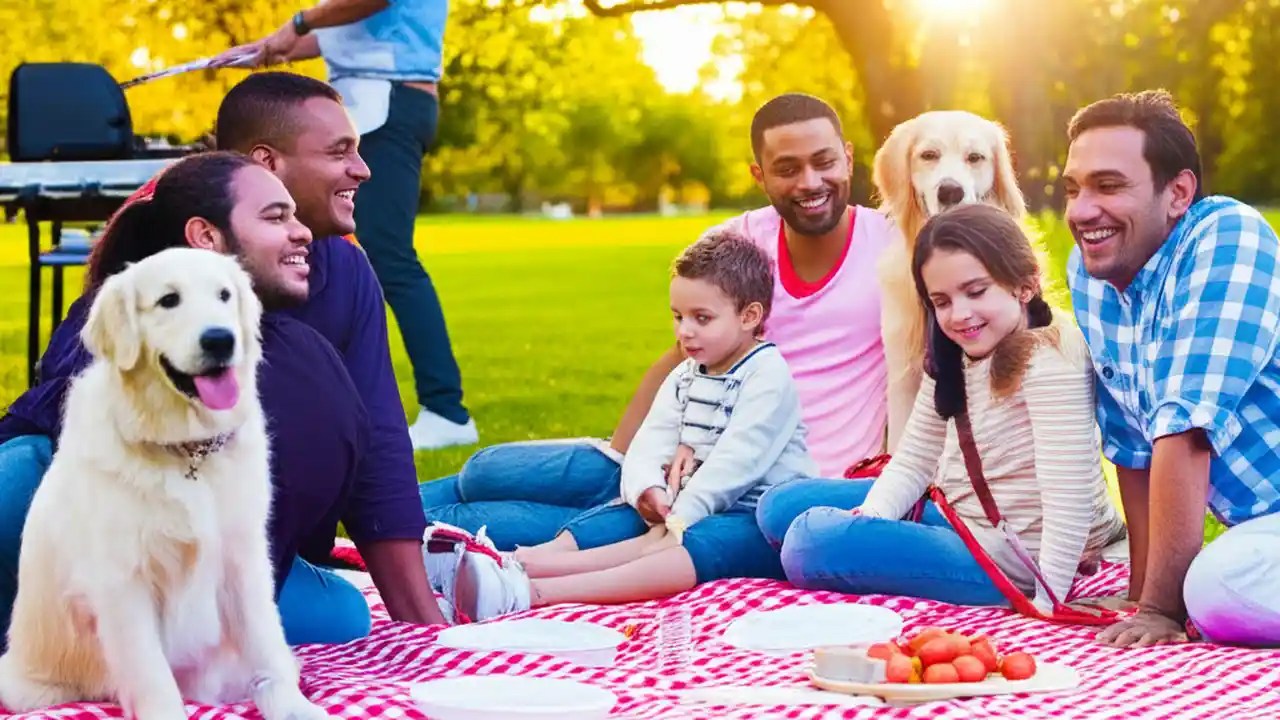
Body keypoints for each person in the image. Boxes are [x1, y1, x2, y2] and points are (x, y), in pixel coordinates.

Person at [0, 73, 448, 636]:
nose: (363, 169)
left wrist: (426, 631)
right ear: (267, 164)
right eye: (340, 153)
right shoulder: (156, 266)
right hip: (106, 530)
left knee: (344, 614)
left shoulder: (346, 276)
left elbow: (380, 448)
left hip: (242, 560)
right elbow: (70, 420)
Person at [419, 92, 895, 552]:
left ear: (849, 158)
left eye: (824, 161)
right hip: (678, 448)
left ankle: (381, 529)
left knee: (492, 521)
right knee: (485, 473)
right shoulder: (738, 242)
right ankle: (365, 506)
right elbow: (683, 358)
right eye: (787, 169)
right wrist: (625, 465)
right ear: (759, 175)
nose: (810, 182)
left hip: (767, 486)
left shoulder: (895, 245)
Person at [758, 204, 1125, 609]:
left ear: (1025, 285)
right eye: (942, 301)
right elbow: (915, 460)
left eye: (976, 291)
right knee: (778, 505)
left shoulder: (1051, 358)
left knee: (807, 542)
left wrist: (1047, 598)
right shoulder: (958, 350)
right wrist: (870, 522)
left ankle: (814, 557)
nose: (959, 315)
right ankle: (840, 554)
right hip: (953, 512)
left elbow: (1067, 496)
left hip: (1005, 559)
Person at [448, 232, 817, 620]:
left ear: (750, 317)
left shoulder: (767, 375)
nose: (684, 332)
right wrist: (649, 491)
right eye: (678, 317)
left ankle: (532, 592)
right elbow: (651, 440)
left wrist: (678, 520)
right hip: (690, 504)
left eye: (701, 318)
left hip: (753, 518)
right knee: (624, 515)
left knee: (696, 544)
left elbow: (738, 462)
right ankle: (520, 563)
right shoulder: (687, 374)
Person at [1062, 89, 1280, 648]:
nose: (1082, 210)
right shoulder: (1093, 272)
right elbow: (1134, 448)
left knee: (1211, 586)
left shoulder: (1229, 236)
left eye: (1108, 186)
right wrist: (1141, 596)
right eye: (1073, 189)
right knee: (1218, 579)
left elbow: (1185, 428)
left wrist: (1163, 609)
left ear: (1178, 192)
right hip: (1263, 535)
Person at [213, 0, 476, 450]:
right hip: (375, 96)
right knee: (327, 247)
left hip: (388, 100)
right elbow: (357, 31)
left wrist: (296, 23)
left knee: (388, 256)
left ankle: (447, 410)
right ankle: (311, 393)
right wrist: (278, 47)